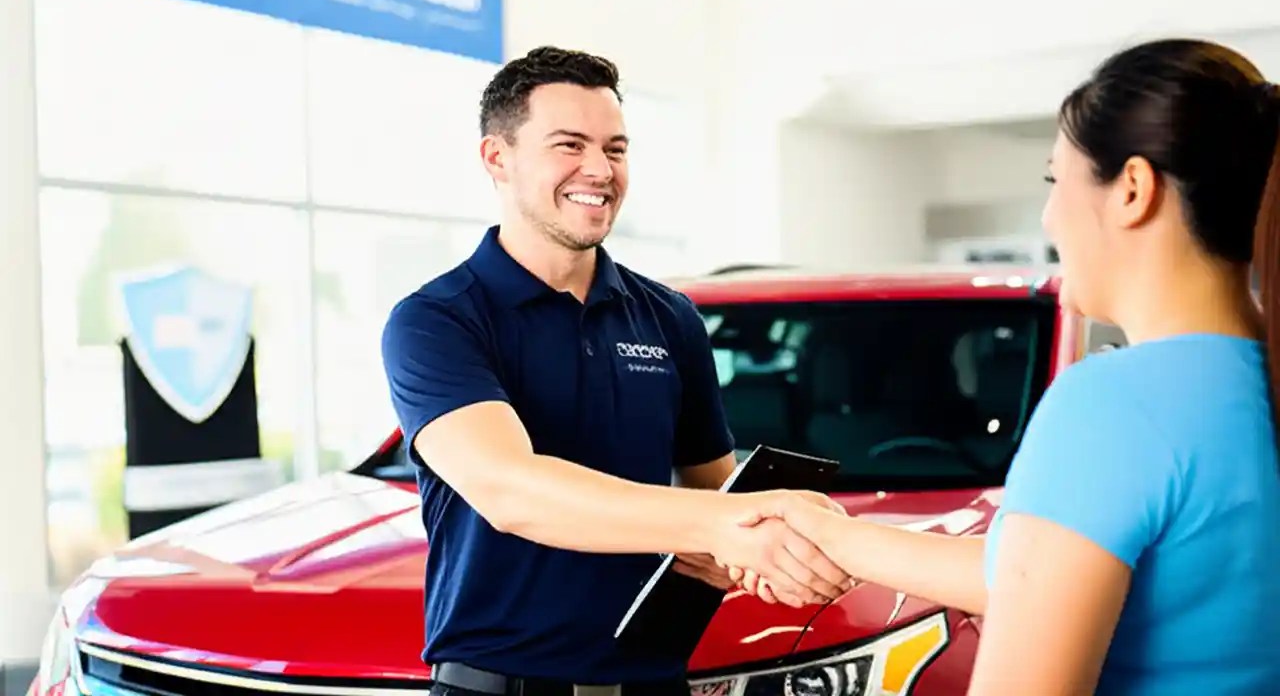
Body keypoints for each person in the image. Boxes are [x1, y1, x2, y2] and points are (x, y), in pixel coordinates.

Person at [729, 37, 1280, 695]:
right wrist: (834, 536)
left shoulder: (1113, 403)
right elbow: (1036, 572)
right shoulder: (1244, 383)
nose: (1050, 215)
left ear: (1133, 189)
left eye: (1056, 180)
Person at [380, 45, 853, 695]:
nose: (599, 170)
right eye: (570, 145)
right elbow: (510, 491)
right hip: (500, 684)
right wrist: (721, 527)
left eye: (616, 149)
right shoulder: (437, 320)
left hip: (653, 682)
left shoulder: (669, 318)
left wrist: (774, 542)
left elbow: (713, 490)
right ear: (497, 158)